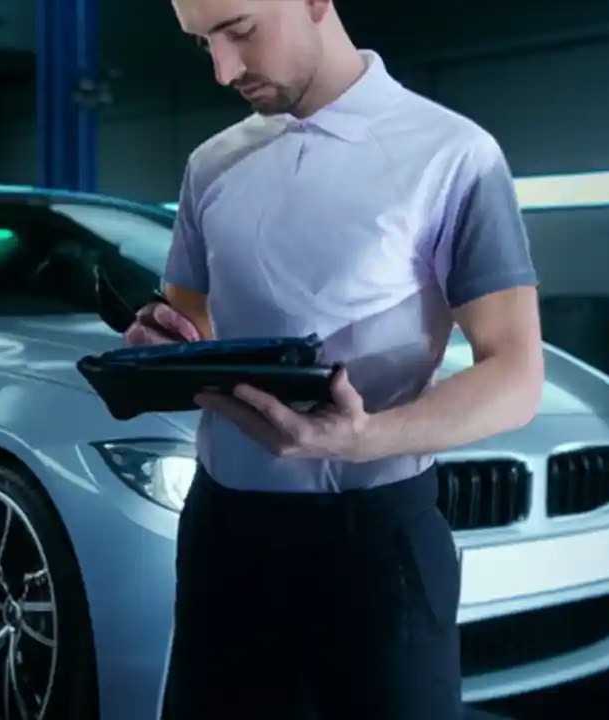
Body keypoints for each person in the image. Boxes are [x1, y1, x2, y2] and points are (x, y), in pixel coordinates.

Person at [126, 0, 544, 717]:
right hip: (223, 536)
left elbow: (515, 376)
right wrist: (162, 343)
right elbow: (190, 322)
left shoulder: (453, 155)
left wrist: (362, 439)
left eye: (240, 31)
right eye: (203, 45)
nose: (224, 69)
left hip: (373, 544)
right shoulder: (211, 165)